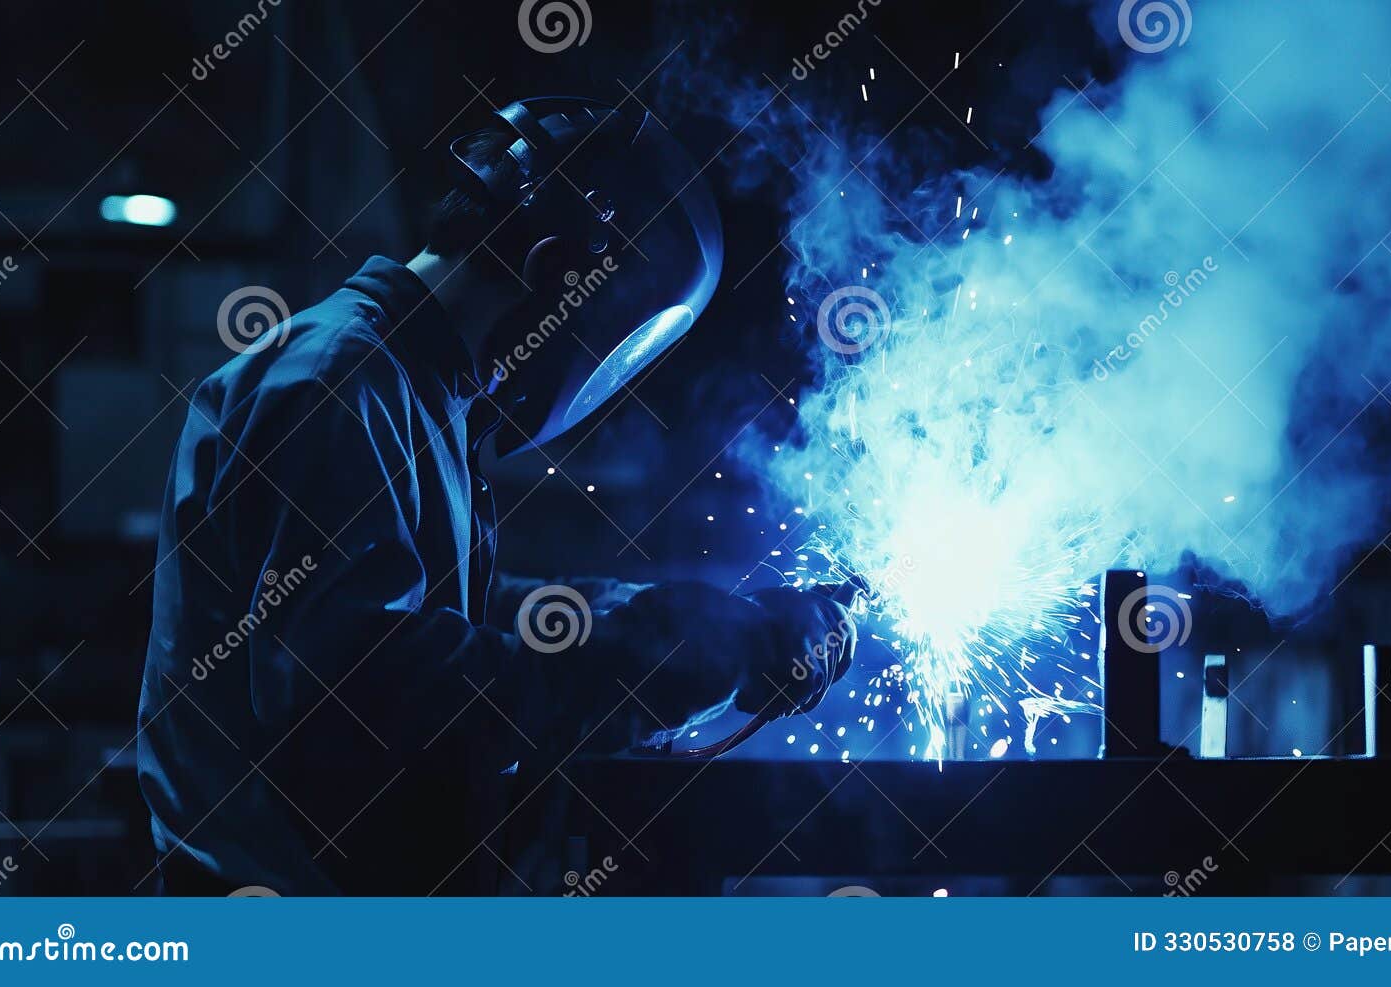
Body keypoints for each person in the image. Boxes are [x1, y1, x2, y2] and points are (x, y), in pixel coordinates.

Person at [137, 98, 856, 895]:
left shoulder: (417, 388)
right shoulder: (339, 386)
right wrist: (655, 655)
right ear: (551, 272)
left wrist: (694, 621)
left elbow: (455, 619)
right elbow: (365, 692)